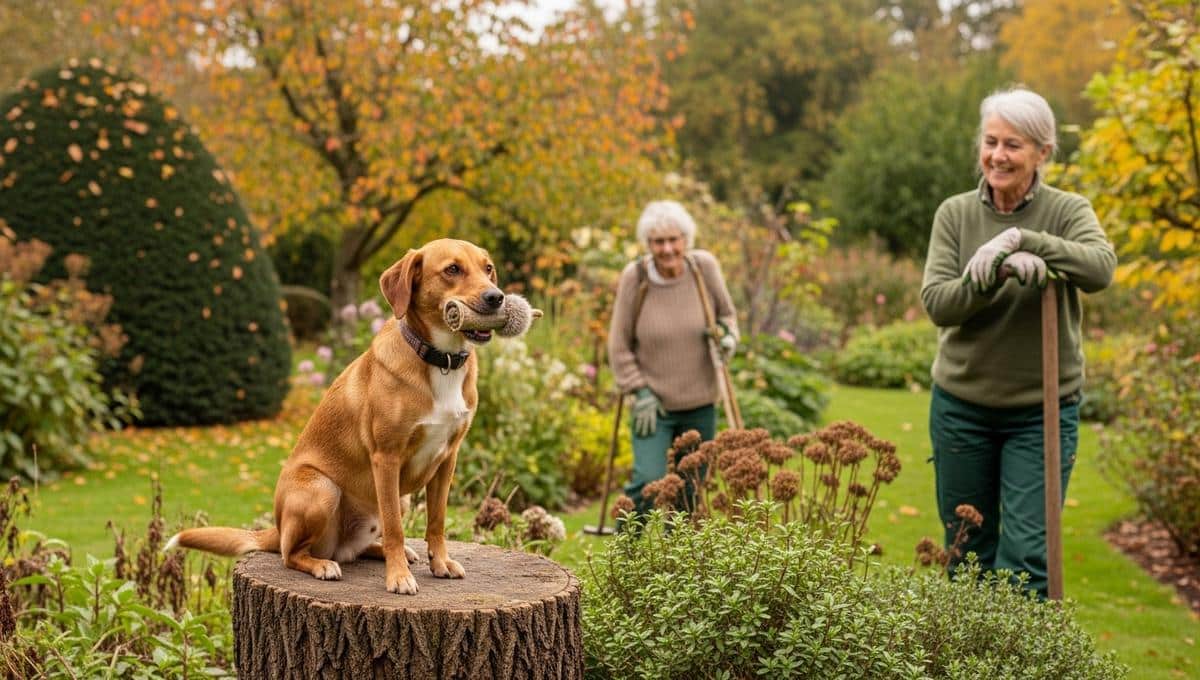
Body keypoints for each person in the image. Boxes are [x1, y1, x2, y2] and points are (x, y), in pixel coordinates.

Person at [921, 88, 1117, 598]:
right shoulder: (955, 214)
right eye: (991, 142)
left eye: (1014, 144)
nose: (998, 156)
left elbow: (1100, 269)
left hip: (1042, 411)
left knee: (1030, 554)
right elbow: (939, 303)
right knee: (967, 548)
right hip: (963, 407)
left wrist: (1026, 240)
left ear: (1042, 153)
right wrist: (991, 274)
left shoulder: (1068, 210)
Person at [607, 200, 738, 519]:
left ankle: (676, 559)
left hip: (700, 403)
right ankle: (627, 554)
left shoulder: (702, 268)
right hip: (654, 406)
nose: (666, 249)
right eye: (657, 242)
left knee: (691, 489)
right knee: (648, 481)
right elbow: (618, 344)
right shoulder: (635, 277)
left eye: (673, 239)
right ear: (648, 244)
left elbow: (727, 316)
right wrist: (639, 390)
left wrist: (728, 337)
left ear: (686, 239)